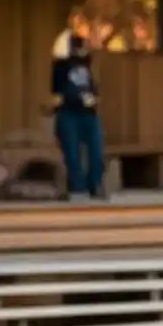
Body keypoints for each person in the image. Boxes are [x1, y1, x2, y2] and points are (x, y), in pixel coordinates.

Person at [50, 30, 106, 200]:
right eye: (79, 46)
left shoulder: (87, 65)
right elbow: (57, 92)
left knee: (96, 151)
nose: (84, 49)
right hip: (69, 114)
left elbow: (93, 87)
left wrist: (93, 99)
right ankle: (77, 187)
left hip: (89, 114)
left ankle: (94, 185)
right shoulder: (60, 67)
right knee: (72, 154)